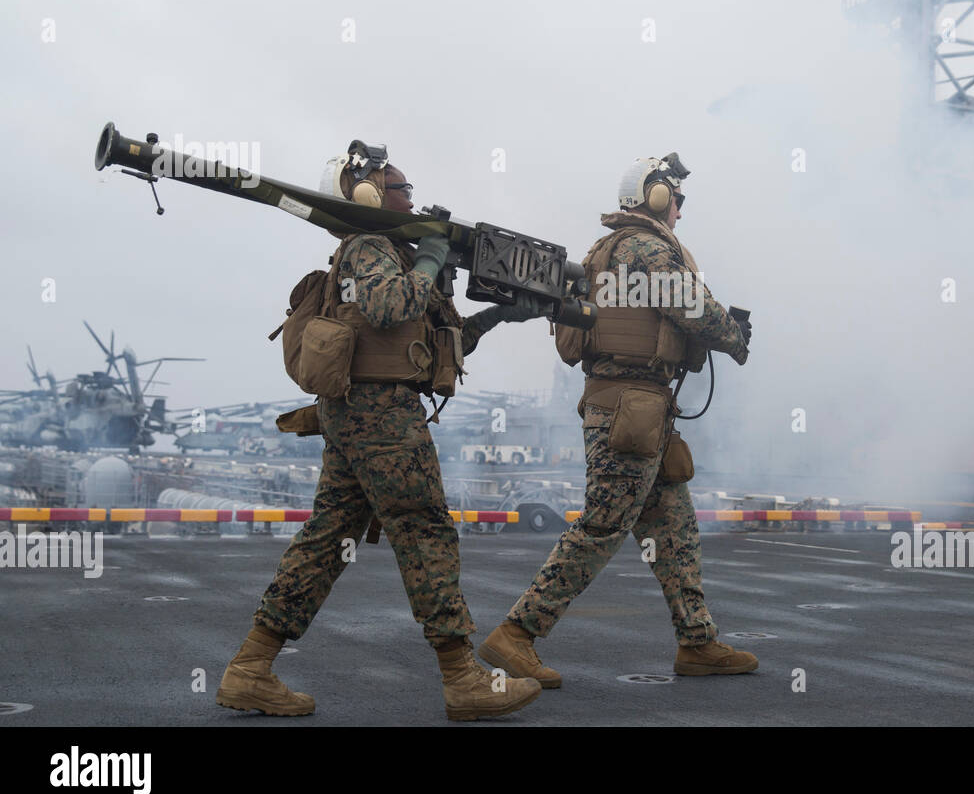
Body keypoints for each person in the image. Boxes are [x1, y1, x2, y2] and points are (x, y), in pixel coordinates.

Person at [216, 143, 546, 721]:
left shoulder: (387, 253)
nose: (410, 198)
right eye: (401, 188)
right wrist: (431, 257)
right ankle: (462, 677)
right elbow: (392, 305)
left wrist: (498, 315)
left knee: (326, 541)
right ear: (366, 193)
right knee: (425, 531)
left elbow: (438, 342)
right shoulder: (371, 247)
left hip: (360, 413)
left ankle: (249, 669)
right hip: (381, 417)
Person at [478, 153, 756, 688]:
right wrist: (734, 337)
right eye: (677, 199)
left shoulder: (605, 251)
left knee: (673, 530)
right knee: (602, 526)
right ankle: (516, 634)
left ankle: (697, 642)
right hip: (630, 407)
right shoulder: (644, 247)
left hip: (641, 408)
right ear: (656, 196)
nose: (680, 211)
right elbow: (690, 304)